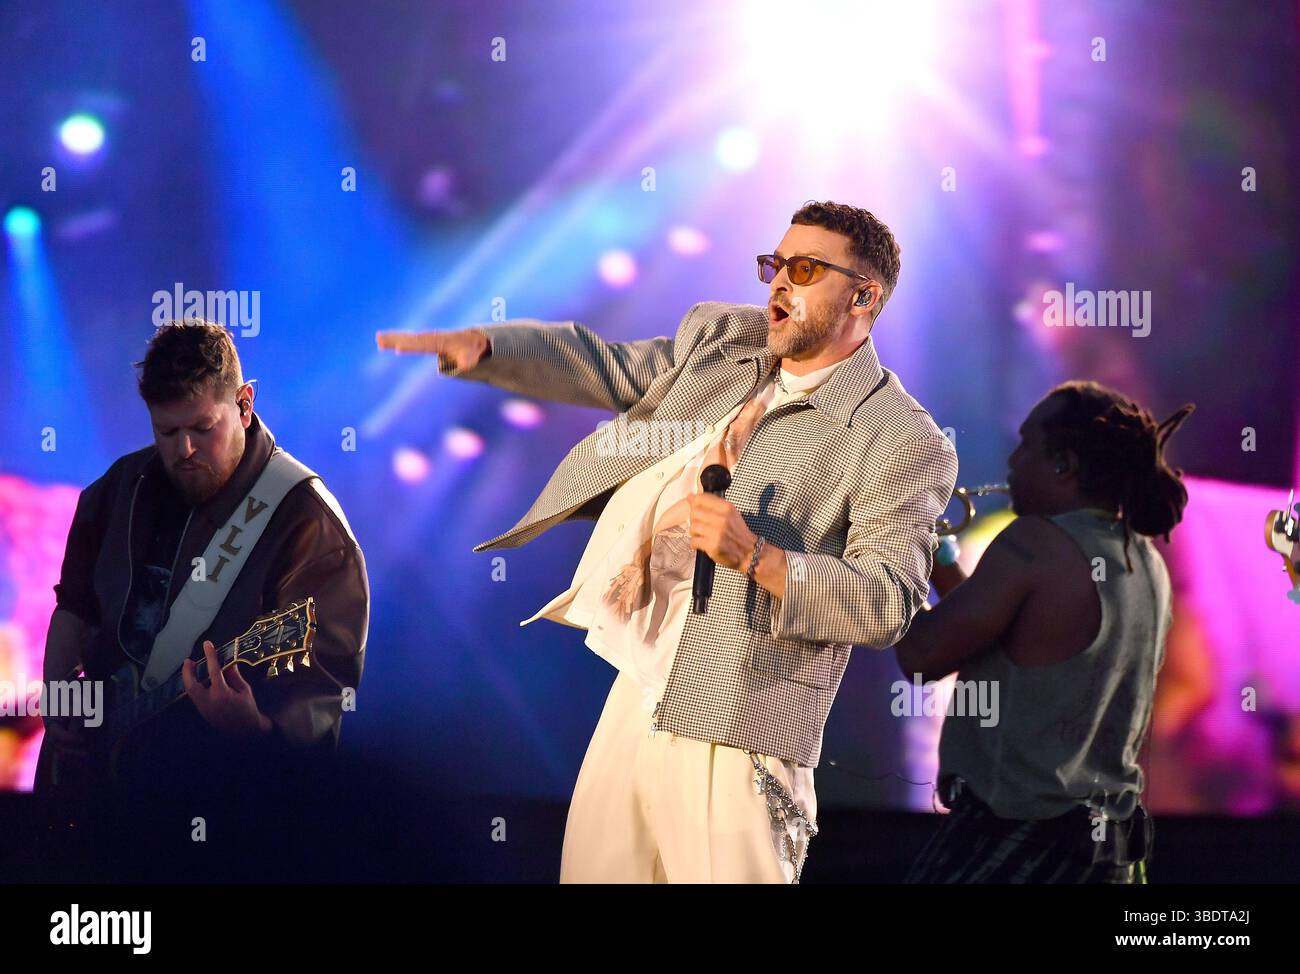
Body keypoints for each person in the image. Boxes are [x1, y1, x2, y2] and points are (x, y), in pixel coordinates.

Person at [378, 200, 958, 883]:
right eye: (774, 265)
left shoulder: (899, 438)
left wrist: (760, 559)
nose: (778, 284)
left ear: (864, 295)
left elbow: (886, 603)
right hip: (642, 684)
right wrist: (492, 349)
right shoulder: (726, 345)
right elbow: (603, 366)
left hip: (741, 716)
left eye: (804, 269)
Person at [35, 319, 369, 877]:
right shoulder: (119, 487)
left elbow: (320, 711)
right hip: (89, 808)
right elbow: (74, 605)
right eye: (166, 432)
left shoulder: (307, 525)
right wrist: (57, 693)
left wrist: (252, 731)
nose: (184, 450)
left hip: (216, 829)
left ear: (243, 404)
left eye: (201, 428)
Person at [895, 380, 1194, 883]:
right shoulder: (1144, 559)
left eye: (1027, 444)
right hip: (1108, 857)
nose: (1012, 462)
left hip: (1016, 848)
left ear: (1064, 465)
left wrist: (891, 556)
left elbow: (921, 656)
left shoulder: (1032, 542)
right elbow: (1011, 628)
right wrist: (941, 561)